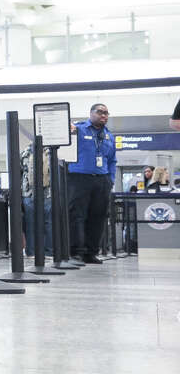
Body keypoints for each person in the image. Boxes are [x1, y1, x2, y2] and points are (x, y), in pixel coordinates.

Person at [68, 103, 116, 264]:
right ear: (91, 113)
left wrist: (111, 179)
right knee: (76, 215)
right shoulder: (79, 129)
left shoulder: (109, 135)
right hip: (79, 178)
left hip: (102, 180)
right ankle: (75, 252)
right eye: (100, 112)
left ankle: (90, 253)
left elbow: (112, 160)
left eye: (107, 113)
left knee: (98, 217)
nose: (104, 115)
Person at [20, 143, 52, 256]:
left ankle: (42, 252)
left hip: (40, 192)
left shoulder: (26, 153)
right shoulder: (26, 153)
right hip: (33, 192)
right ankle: (37, 252)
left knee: (41, 223)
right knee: (36, 222)